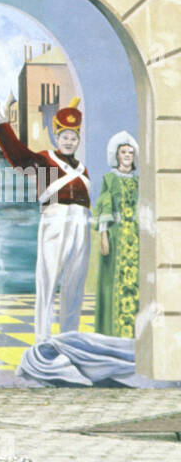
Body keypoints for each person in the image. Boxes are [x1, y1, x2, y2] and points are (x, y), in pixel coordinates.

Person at [0, 101, 90, 344]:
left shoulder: (83, 169)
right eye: (65, 136)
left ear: (78, 141)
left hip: (81, 225)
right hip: (55, 220)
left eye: (73, 138)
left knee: (75, 284)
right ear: (57, 137)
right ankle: (43, 341)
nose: (69, 141)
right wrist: (1, 126)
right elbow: (18, 156)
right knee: (48, 282)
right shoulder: (44, 160)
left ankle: (69, 339)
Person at [93, 131, 140, 338]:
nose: (127, 155)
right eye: (123, 152)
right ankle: (112, 332)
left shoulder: (139, 181)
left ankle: (133, 333)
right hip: (116, 235)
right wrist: (104, 235)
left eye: (130, 152)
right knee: (113, 282)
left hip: (135, 236)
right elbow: (104, 206)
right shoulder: (110, 179)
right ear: (117, 155)